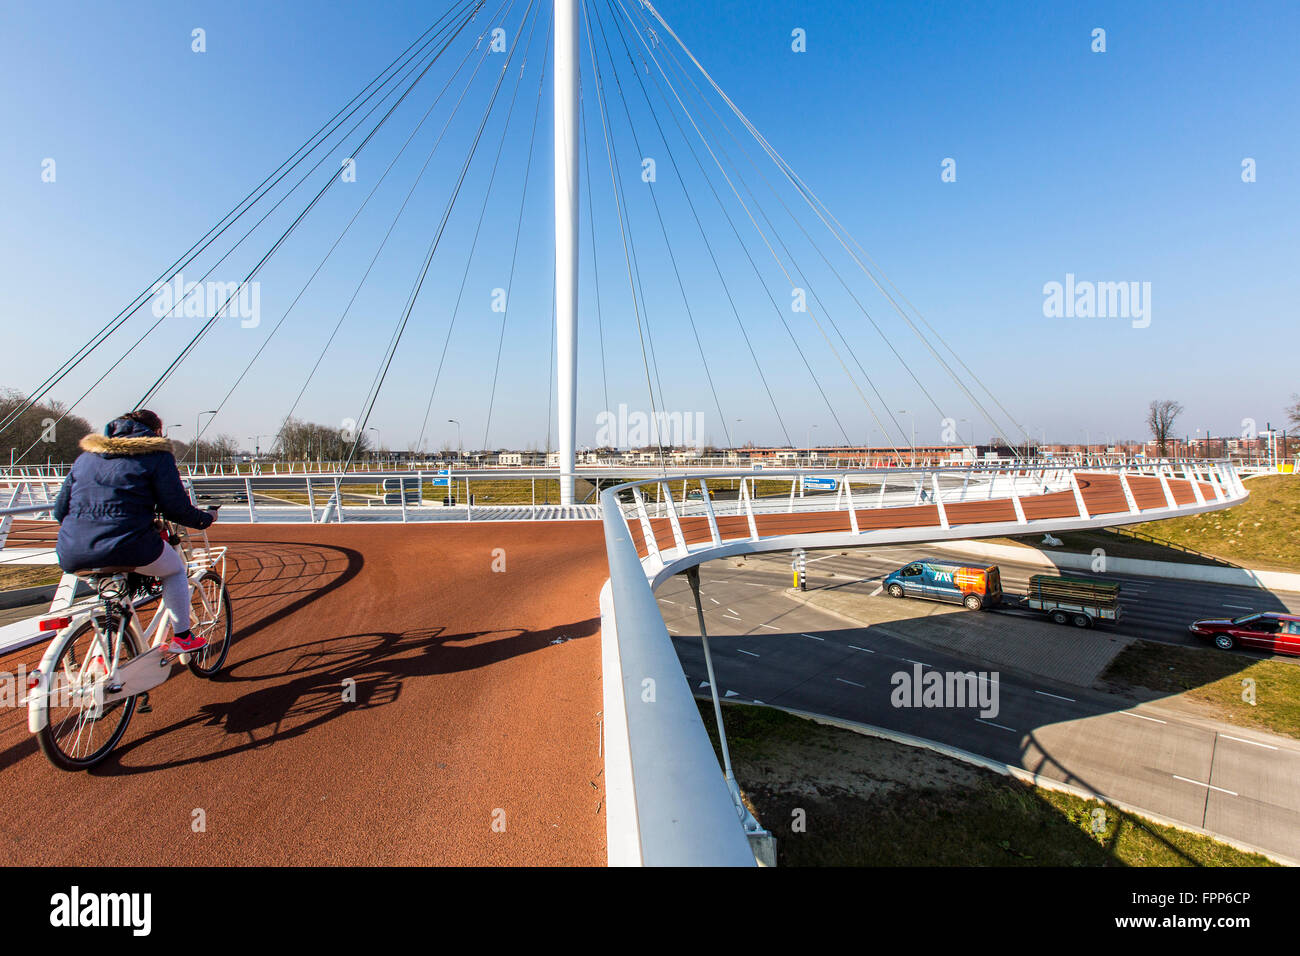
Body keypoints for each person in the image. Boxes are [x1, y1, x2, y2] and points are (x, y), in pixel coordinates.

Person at [53, 409, 218, 654]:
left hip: (71, 552)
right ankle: (183, 637)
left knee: (114, 597)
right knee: (175, 571)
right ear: (156, 432)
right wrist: (206, 518)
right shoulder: (157, 456)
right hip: (128, 545)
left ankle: (105, 653)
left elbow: (59, 510)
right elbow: (175, 507)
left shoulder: (86, 457)